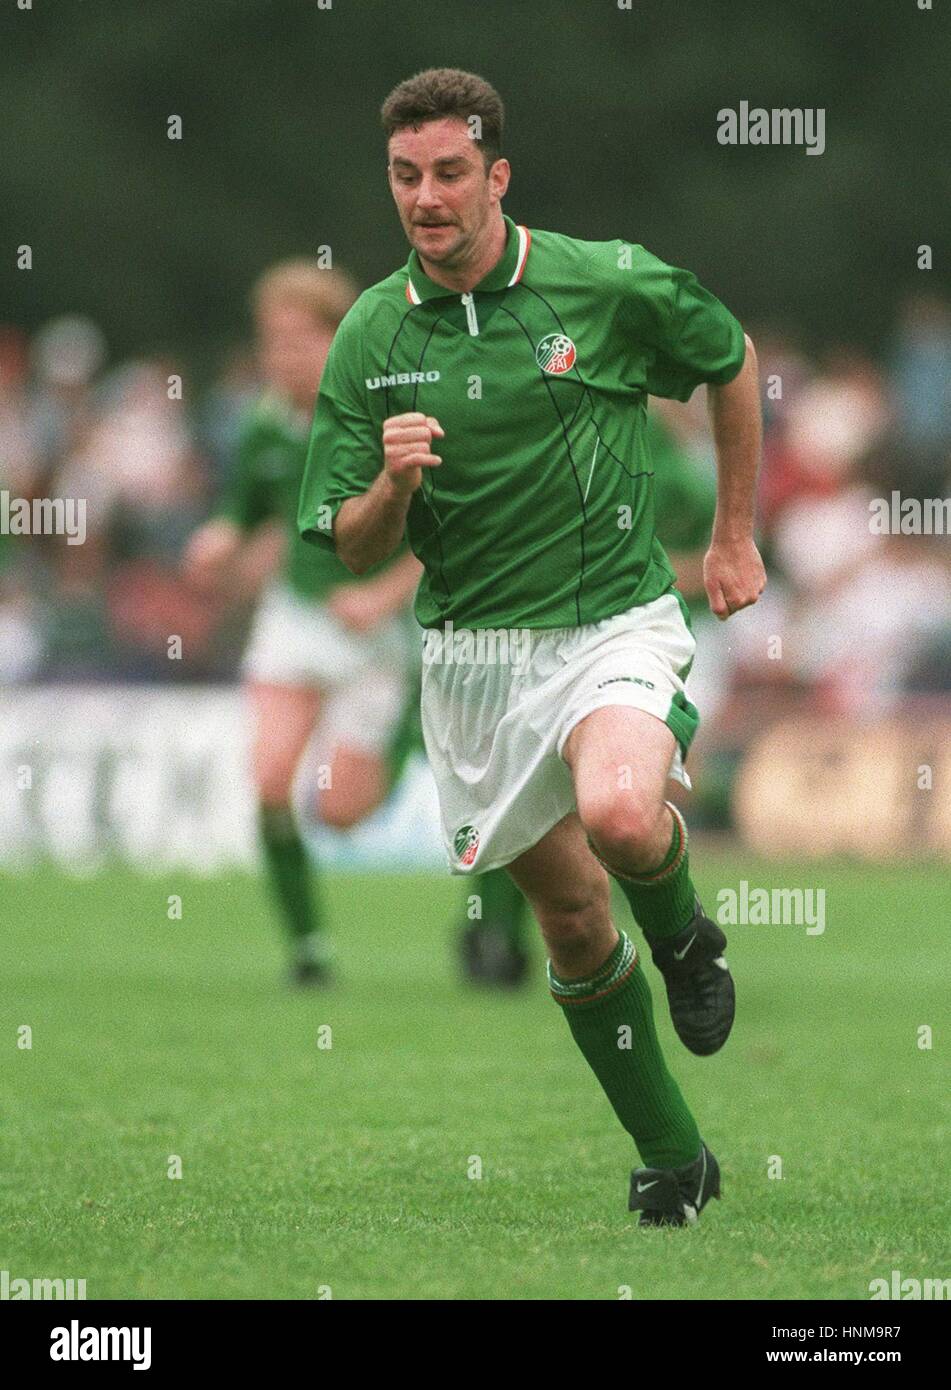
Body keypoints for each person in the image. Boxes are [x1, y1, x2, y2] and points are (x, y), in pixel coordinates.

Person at [299, 69, 766, 1225]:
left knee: (620, 813)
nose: (426, 196)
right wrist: (397, 483)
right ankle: (674, 1153)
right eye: (406, 175)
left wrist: (735, 533)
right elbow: (351, 545)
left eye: (450, 172)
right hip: (469, 661)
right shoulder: (368, 333)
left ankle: (687, 936)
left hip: (613, 620)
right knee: (568, 923)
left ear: (496, 175)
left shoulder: (598, 280)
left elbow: (731, 355)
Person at [185, 261, 421, 985]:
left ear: (336, 338)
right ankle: (308, 949)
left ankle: (408, 734)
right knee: (266, 782)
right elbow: (245, 506)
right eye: (271, 341)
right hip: (295, 617)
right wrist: (220, 535)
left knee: (341, 811)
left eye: (298, 340)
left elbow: (447, 531)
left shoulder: (384, 412)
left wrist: (382, 595)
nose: (282, 356)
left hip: (374, 633)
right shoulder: (263, 422)